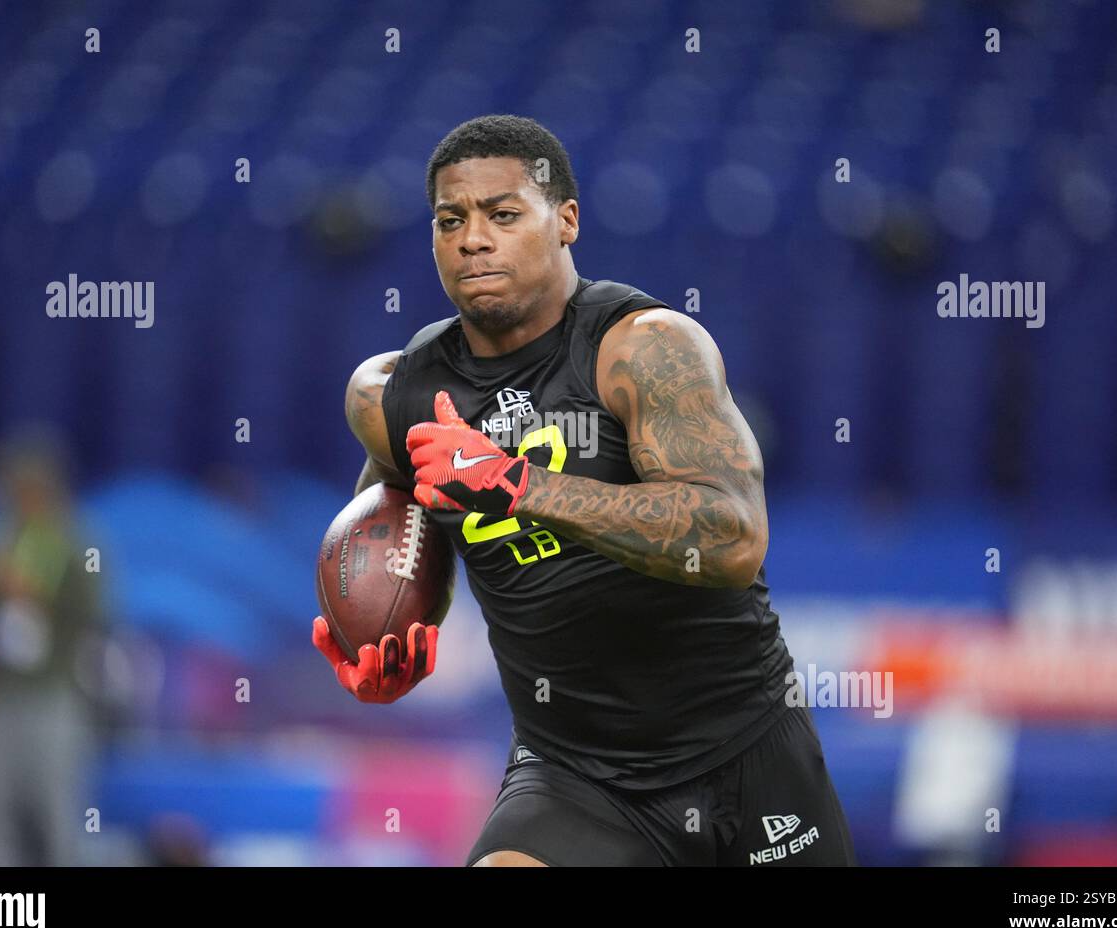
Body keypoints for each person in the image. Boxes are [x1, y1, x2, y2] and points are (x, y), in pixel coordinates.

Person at [313, 115, 855, 867]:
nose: (473, 238)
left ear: (565, 220)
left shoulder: (646, 348)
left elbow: (730, 536)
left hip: (745, 749)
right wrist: (389, 645)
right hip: (572, 777)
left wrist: (516, 484)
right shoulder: (392, 396)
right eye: (450, 220)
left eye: (503, 215)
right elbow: (408, 543)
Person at [0, 426, 102, 866]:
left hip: (53, 694)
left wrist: (34, 591)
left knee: (55, 812)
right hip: (0, 696)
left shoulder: (74, 545)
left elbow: (93, 613)